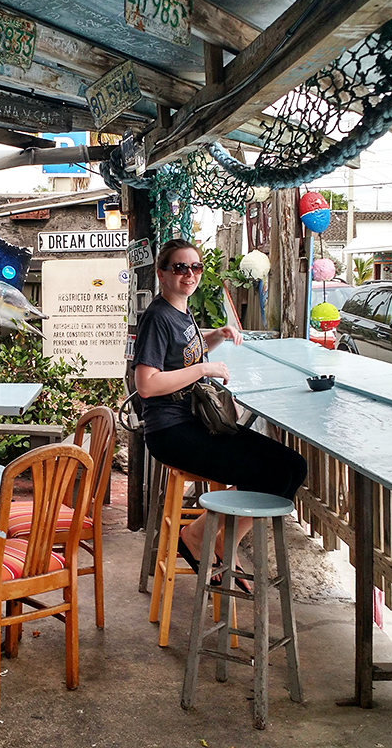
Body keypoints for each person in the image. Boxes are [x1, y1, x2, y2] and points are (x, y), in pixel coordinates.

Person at [133, 238, 307, 591]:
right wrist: (203, 369)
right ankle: (198, 536)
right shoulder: (157, 317)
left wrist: (216, 337)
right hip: (171, 431)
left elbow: (182, 355)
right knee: (271, 473)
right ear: (162, 274)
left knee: (294, 467)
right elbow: (147, 384)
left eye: (195, 267)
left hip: (196, 422)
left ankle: (220, 540)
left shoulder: (180, 312)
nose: (189, 274)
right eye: (179, 268)